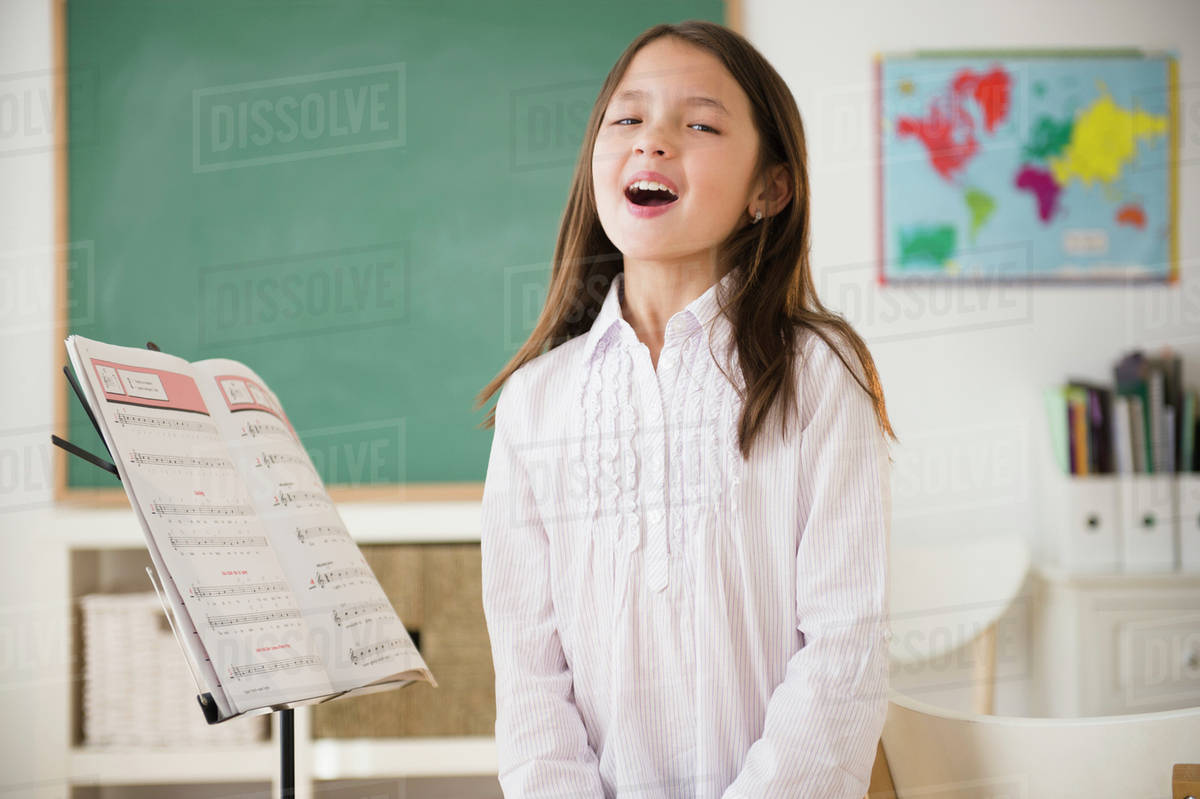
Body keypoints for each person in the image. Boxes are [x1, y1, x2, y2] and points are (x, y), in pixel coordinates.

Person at [474, 19, 898, 799]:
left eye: (699, 123)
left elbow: (845, 648)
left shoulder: (819, 376)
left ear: (769, 189)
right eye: (627, 118)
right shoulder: (537, 403)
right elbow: (531, 680)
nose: (652, 141)